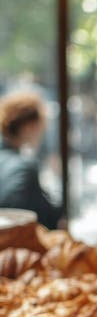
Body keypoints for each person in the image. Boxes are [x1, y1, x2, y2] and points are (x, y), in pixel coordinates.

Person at [0, 90, 62, 229]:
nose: (42, 132)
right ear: (29, 127)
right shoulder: (24, 167)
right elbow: (39, 219)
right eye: (41, 126)